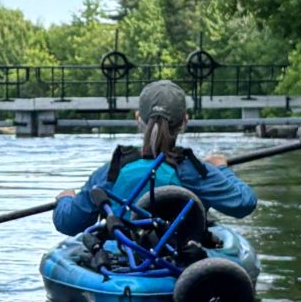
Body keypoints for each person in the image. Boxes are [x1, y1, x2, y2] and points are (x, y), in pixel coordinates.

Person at [52, 79, 257, 243]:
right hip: (177, 261)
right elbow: (244, 203)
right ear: (185, 121)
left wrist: (65, 200)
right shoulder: (194, 171)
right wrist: (222, 168)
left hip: (122, 261)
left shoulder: (111, 171)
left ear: (137, 118)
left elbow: (69, 223)